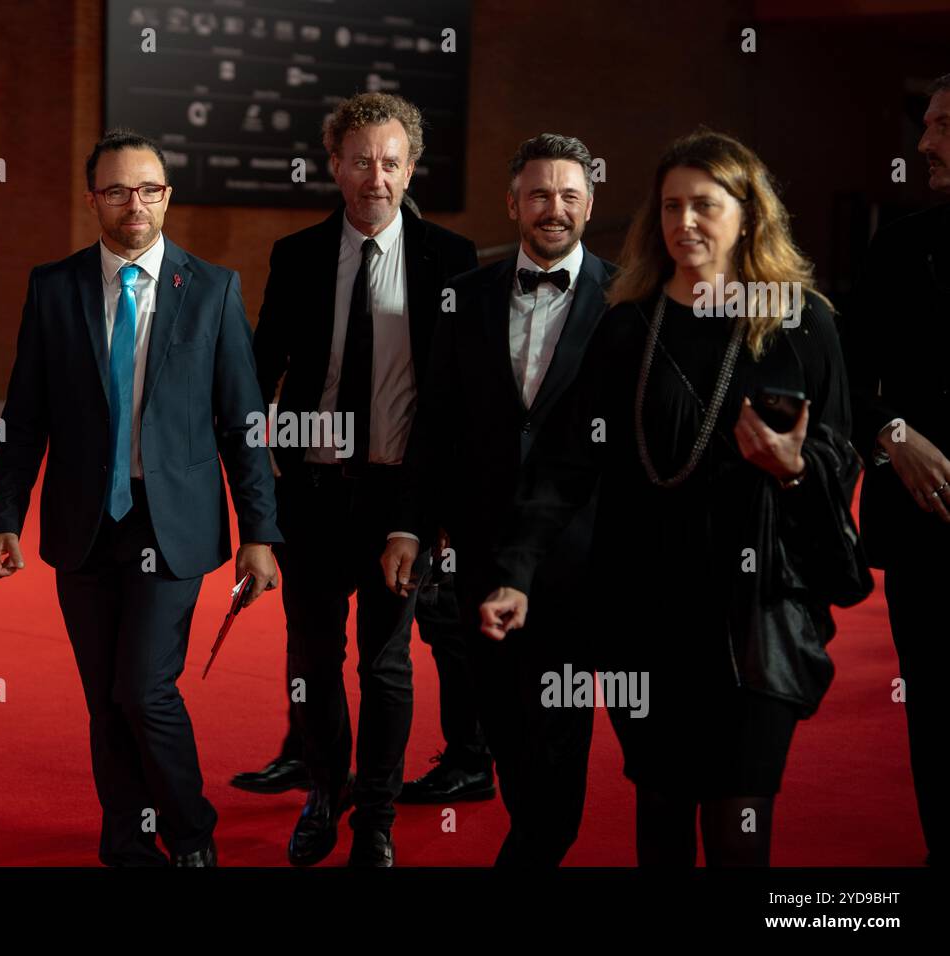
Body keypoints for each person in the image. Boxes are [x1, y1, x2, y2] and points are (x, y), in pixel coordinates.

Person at [481, 130, 869, 866]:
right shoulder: (628, 324)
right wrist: (516, 571)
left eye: (704, 205)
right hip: (646, 614)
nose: (684, 223)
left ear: (748, 214)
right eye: (669, 207)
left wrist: (791, 468)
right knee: (659, 810)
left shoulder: (801, 321)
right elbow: (567, 463)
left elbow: (839, 457)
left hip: (754, 619)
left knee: (737, 820)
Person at [0, 129, 281, 868]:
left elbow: (242, 422)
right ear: (93, 200)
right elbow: (25, 418)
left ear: (167, 196)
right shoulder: (55, 288)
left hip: (172, 522)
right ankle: (125, 836)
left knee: (144, 688)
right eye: (117, 189)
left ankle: (190, 832)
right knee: (105, 699)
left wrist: (260, 532)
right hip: (84, 523)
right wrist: (3, 516)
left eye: (148, 188)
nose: (134, 203)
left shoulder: (211, 289)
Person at [253, 92, 477, 866]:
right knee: (312, 660)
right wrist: (263, 483)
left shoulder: (451, 259)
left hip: (398, 501)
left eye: (390, 161)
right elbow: (260, 373)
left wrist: (440, 509)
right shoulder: (297, 256)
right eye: (359, 160)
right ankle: (324, 791)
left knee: (385, 663)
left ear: (411, 167)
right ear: (334, 166)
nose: (374, 177)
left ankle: (375, 817)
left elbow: (462, 400)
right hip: (310, 494)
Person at [383, 133, 614, 860]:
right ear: (512, 202)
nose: (554, 209)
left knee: (561, 716)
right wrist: (411, 527)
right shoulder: (466, 297)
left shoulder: (627, 298)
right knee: (504, 715)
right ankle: (531, 829)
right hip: (478, 550)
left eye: (569, 195)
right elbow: (435, 423)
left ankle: (536, 849)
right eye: (540, 194)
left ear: (589, 204)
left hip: (582, 555)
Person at [844, 71, 950, 867]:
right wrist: (894, 433)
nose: (924, 143)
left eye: (943, 125)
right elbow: (847, 376)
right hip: (924, 535)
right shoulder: (898, 245)